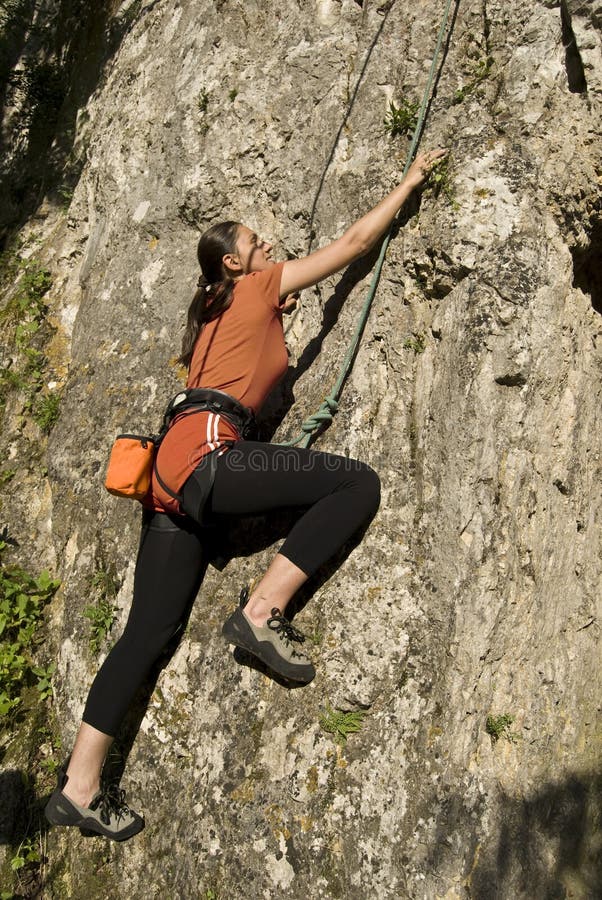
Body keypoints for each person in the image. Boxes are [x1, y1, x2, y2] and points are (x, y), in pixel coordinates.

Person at [45, 148, 447, 840]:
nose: (270, 248)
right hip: (210, 454)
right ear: (234, 263)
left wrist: (273, 315)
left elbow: (240, 355)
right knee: (356, 483)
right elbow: (352, 246)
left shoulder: (210, 312)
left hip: (171, 475)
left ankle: (79, 788)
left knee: (148, 633)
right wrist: (409, 182)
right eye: (258, 245)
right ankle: (263, 611)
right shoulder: (254, 290)